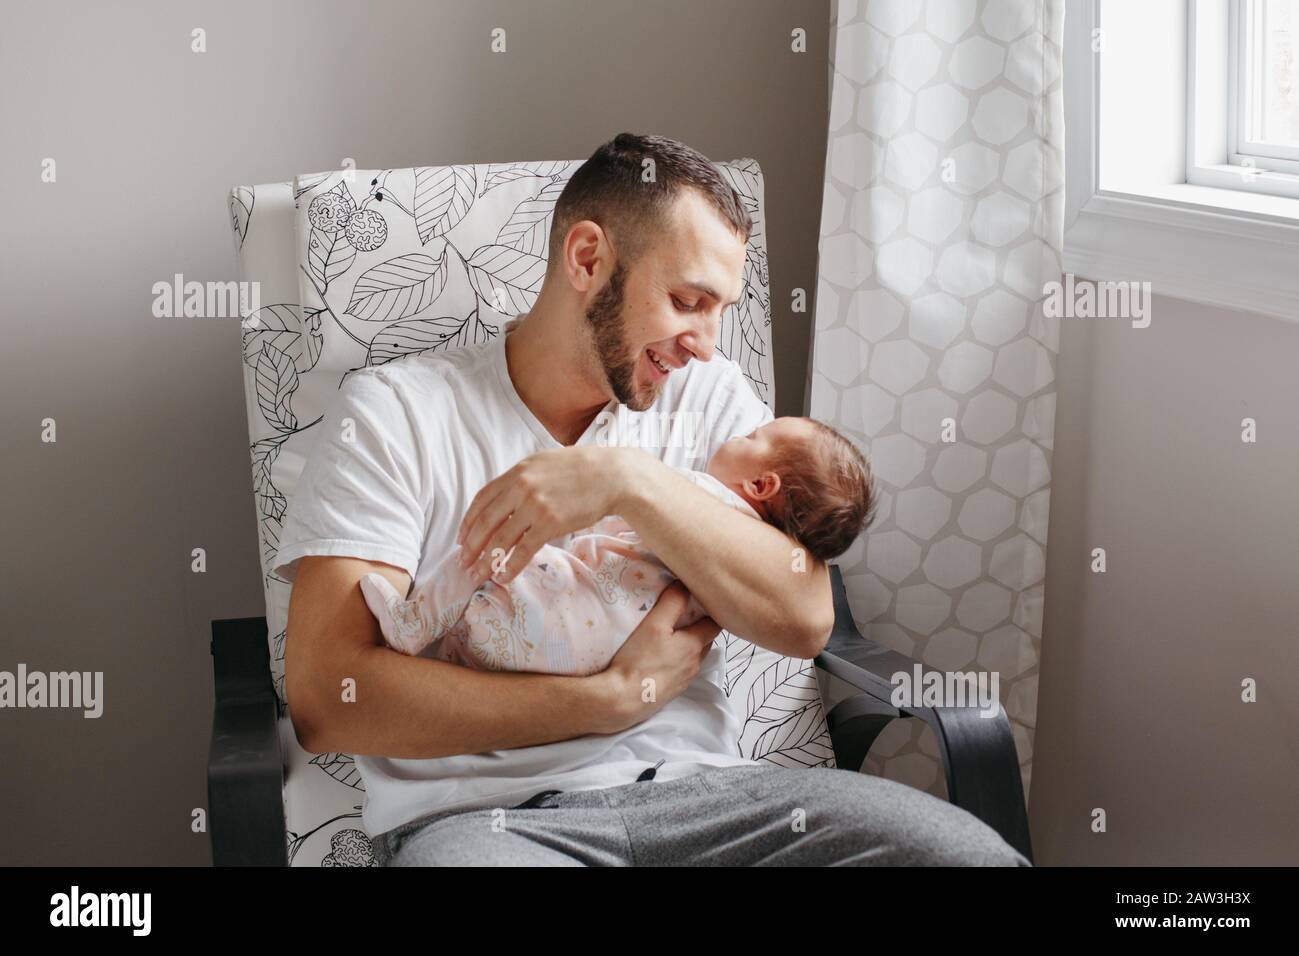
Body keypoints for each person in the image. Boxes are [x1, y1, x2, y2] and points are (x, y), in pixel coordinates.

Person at [276, 132, 1030, 866]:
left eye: (721, 309)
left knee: (959, 854)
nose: (705, 340)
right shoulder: (395, 414)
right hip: (489, 823)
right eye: (686, 300)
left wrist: (627, 482)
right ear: (587, 258)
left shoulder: (707, 396)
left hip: (709, 801)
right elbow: (326, 698)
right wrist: (604, 702)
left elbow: (803, 619)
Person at [358, 416, 877, 675]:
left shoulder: (701, 498)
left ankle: (416, 624)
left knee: (492, 547)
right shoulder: (749, 557)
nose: (736, 433)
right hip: (581, 656)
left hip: (549, 617)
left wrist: (621, 481)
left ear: (763, 485)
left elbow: (811, 625)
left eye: (752, 436)